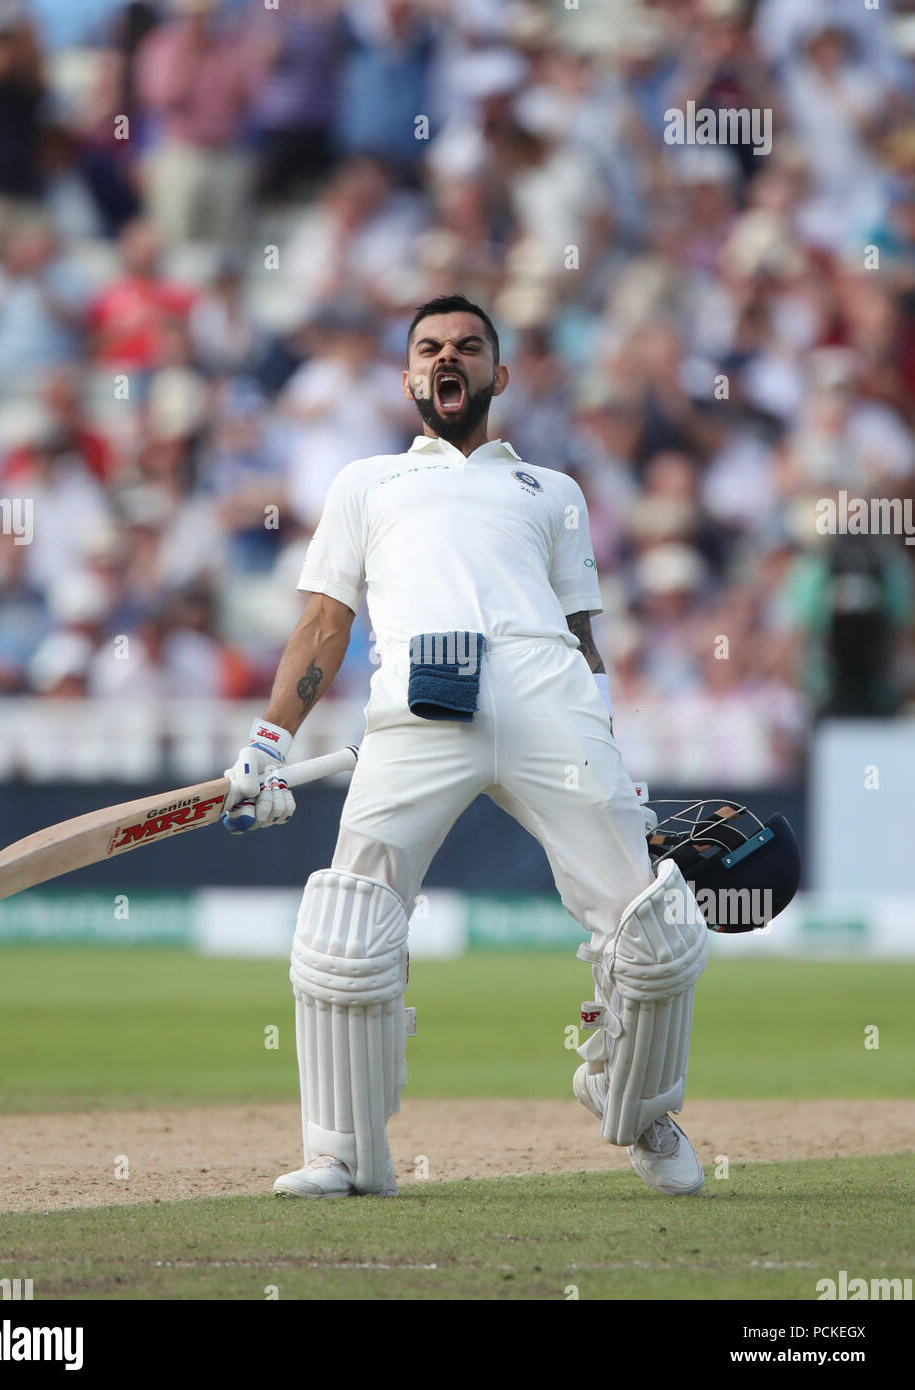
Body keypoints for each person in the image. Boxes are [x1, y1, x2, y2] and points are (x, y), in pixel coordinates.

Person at [220, 294, 709, 1199]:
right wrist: (267, 741)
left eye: (469, 347)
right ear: (409, 375)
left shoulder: (551, 491)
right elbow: (325, 621)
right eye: (430, 348)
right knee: (348, 931)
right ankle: (345, 1154)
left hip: (547, 695)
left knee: (655, 931)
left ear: (499, 374)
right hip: (416, 695)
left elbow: (584, 639)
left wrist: (614, 757)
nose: (449, 359)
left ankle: (634, 1104)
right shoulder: (366, 482)